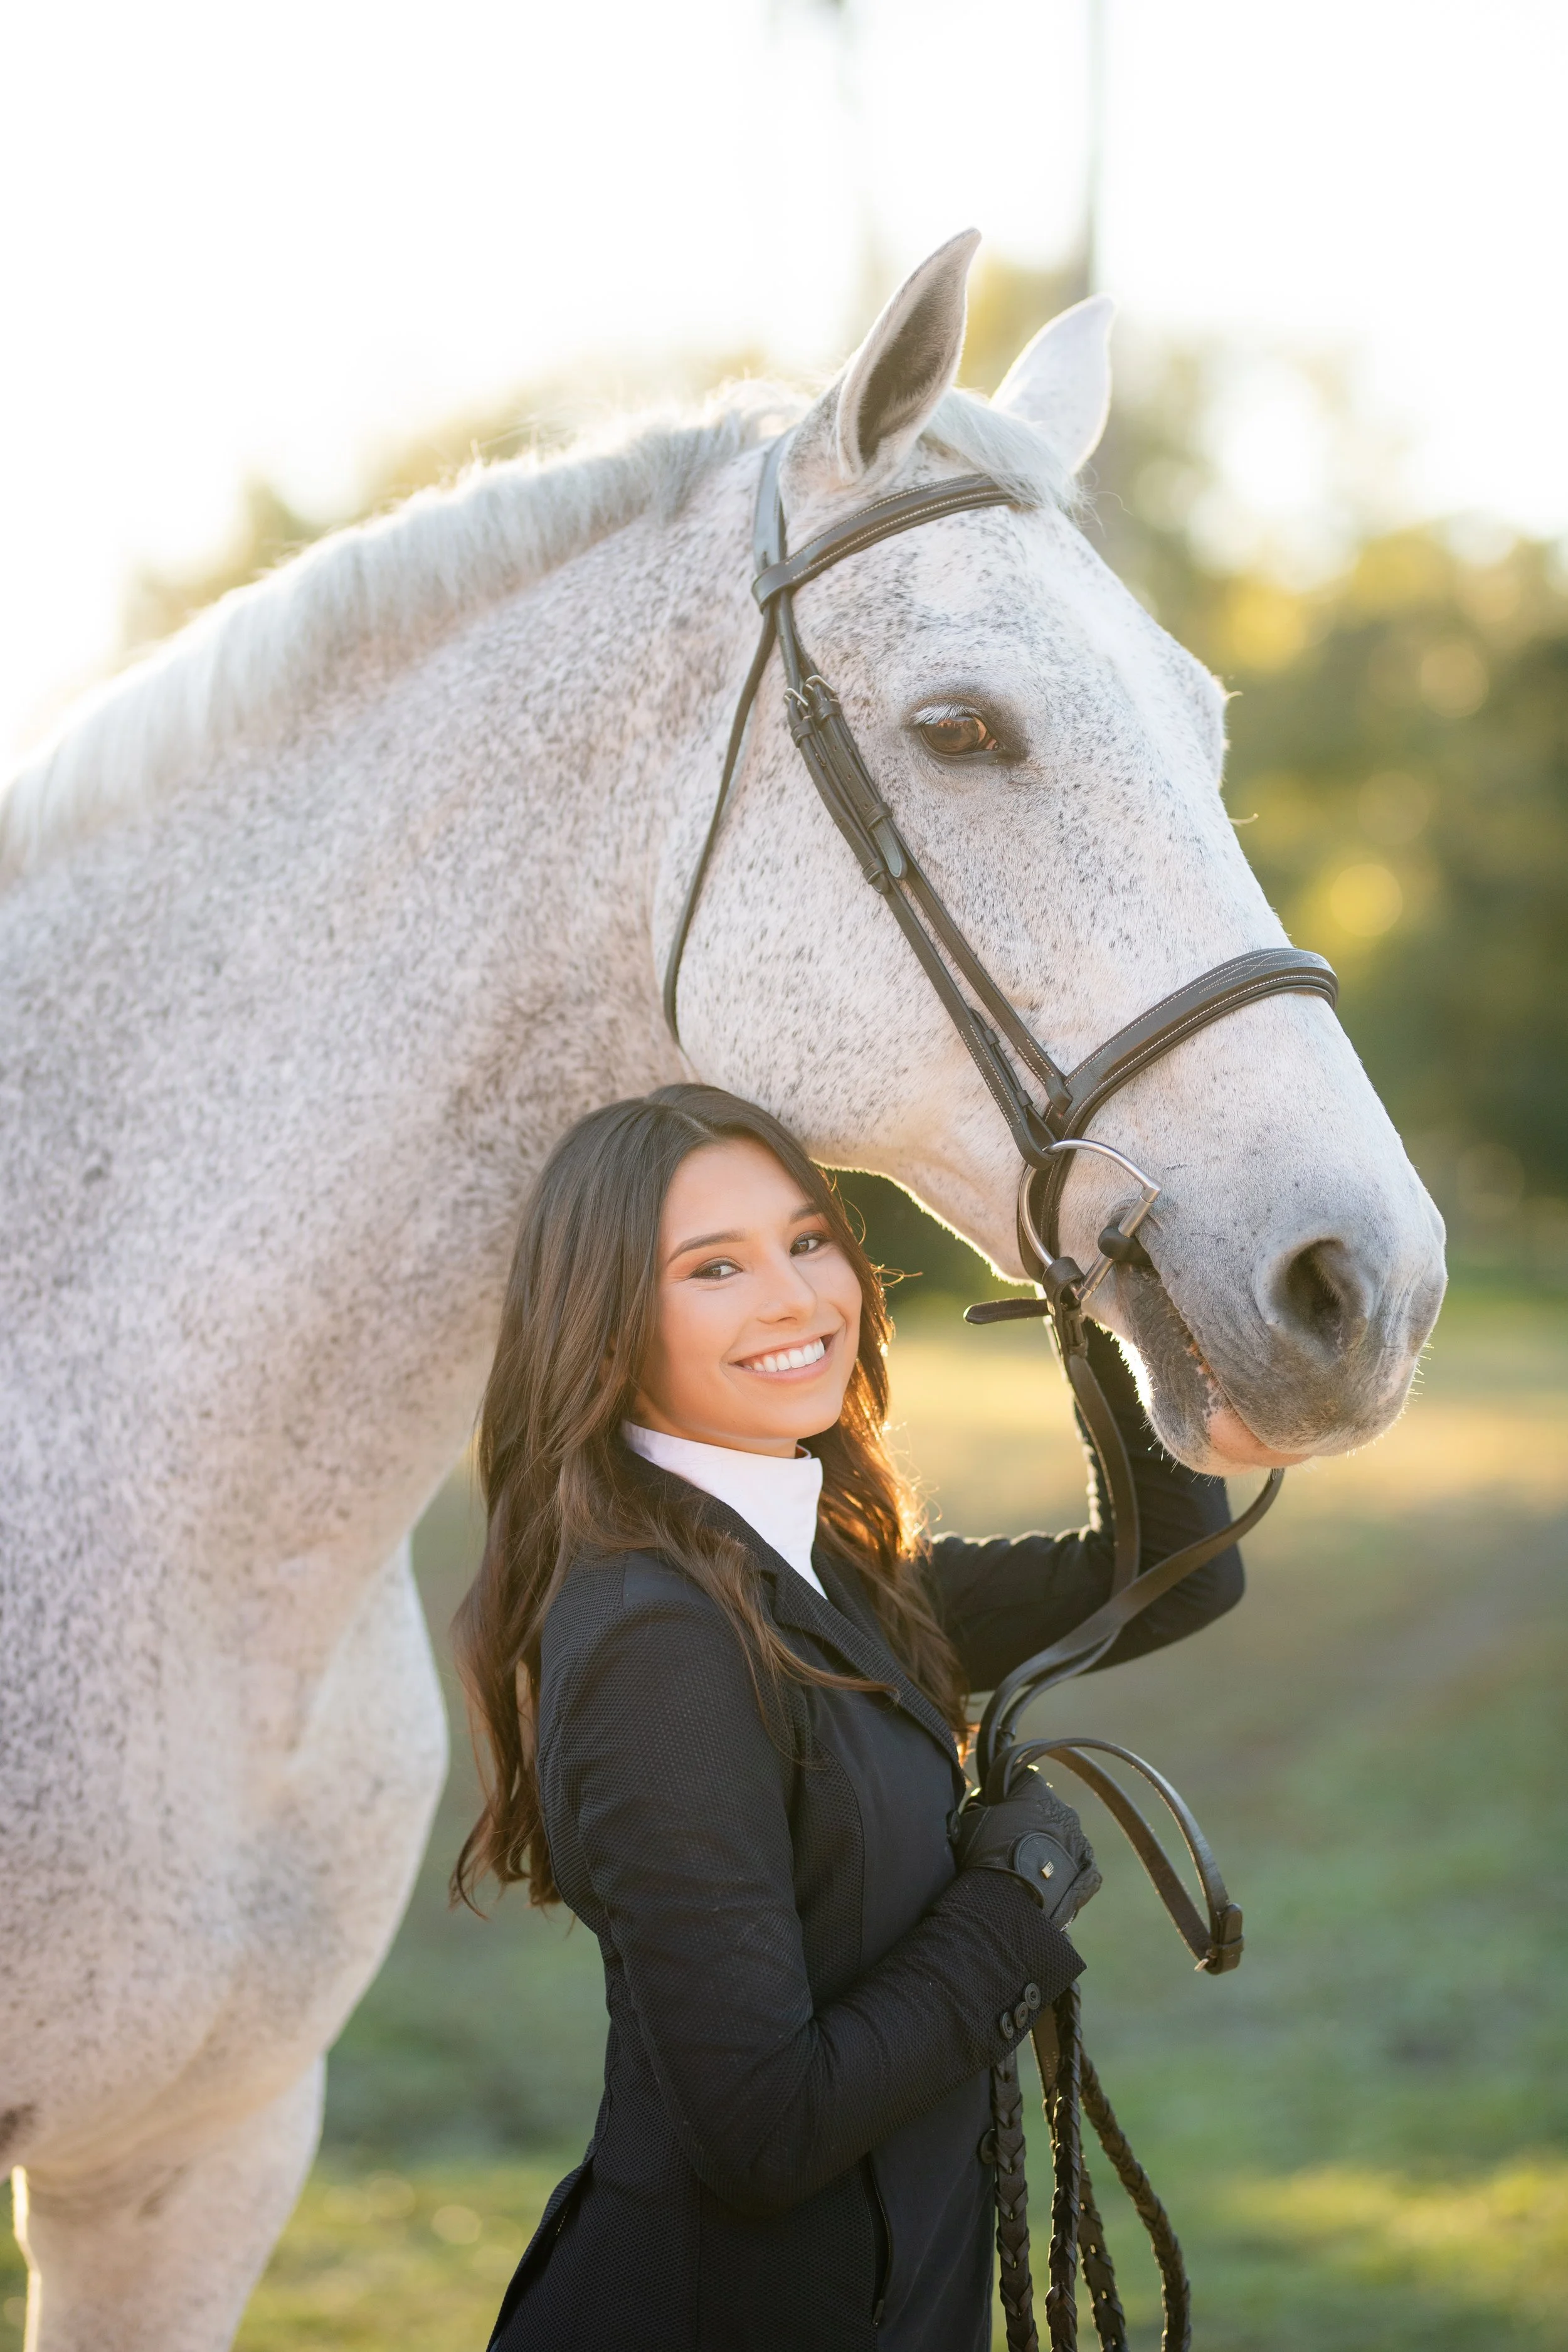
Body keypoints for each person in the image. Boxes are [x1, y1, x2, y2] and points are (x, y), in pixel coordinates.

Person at [453, 1084, 1243, 2352]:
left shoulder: (829, 1562)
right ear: (606, 1324)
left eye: (807, 1239)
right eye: (714, 1267)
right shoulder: (655, 1637)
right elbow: (766, 2130)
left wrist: (1103, 1303)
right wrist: (1007, 1912)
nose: (793, 1299)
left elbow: (1174, 1573)